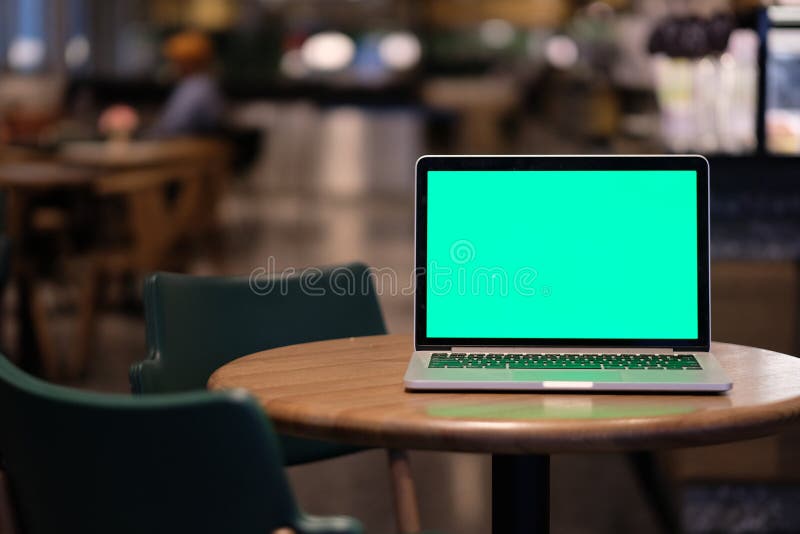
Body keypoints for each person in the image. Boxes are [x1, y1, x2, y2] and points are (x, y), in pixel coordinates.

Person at [148, 31, 224, 138]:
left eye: (174, 61)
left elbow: (173, 128)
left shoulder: (194, 88)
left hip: (181, 148)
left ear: (186, 63)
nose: (170, 66)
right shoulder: (205, 85)